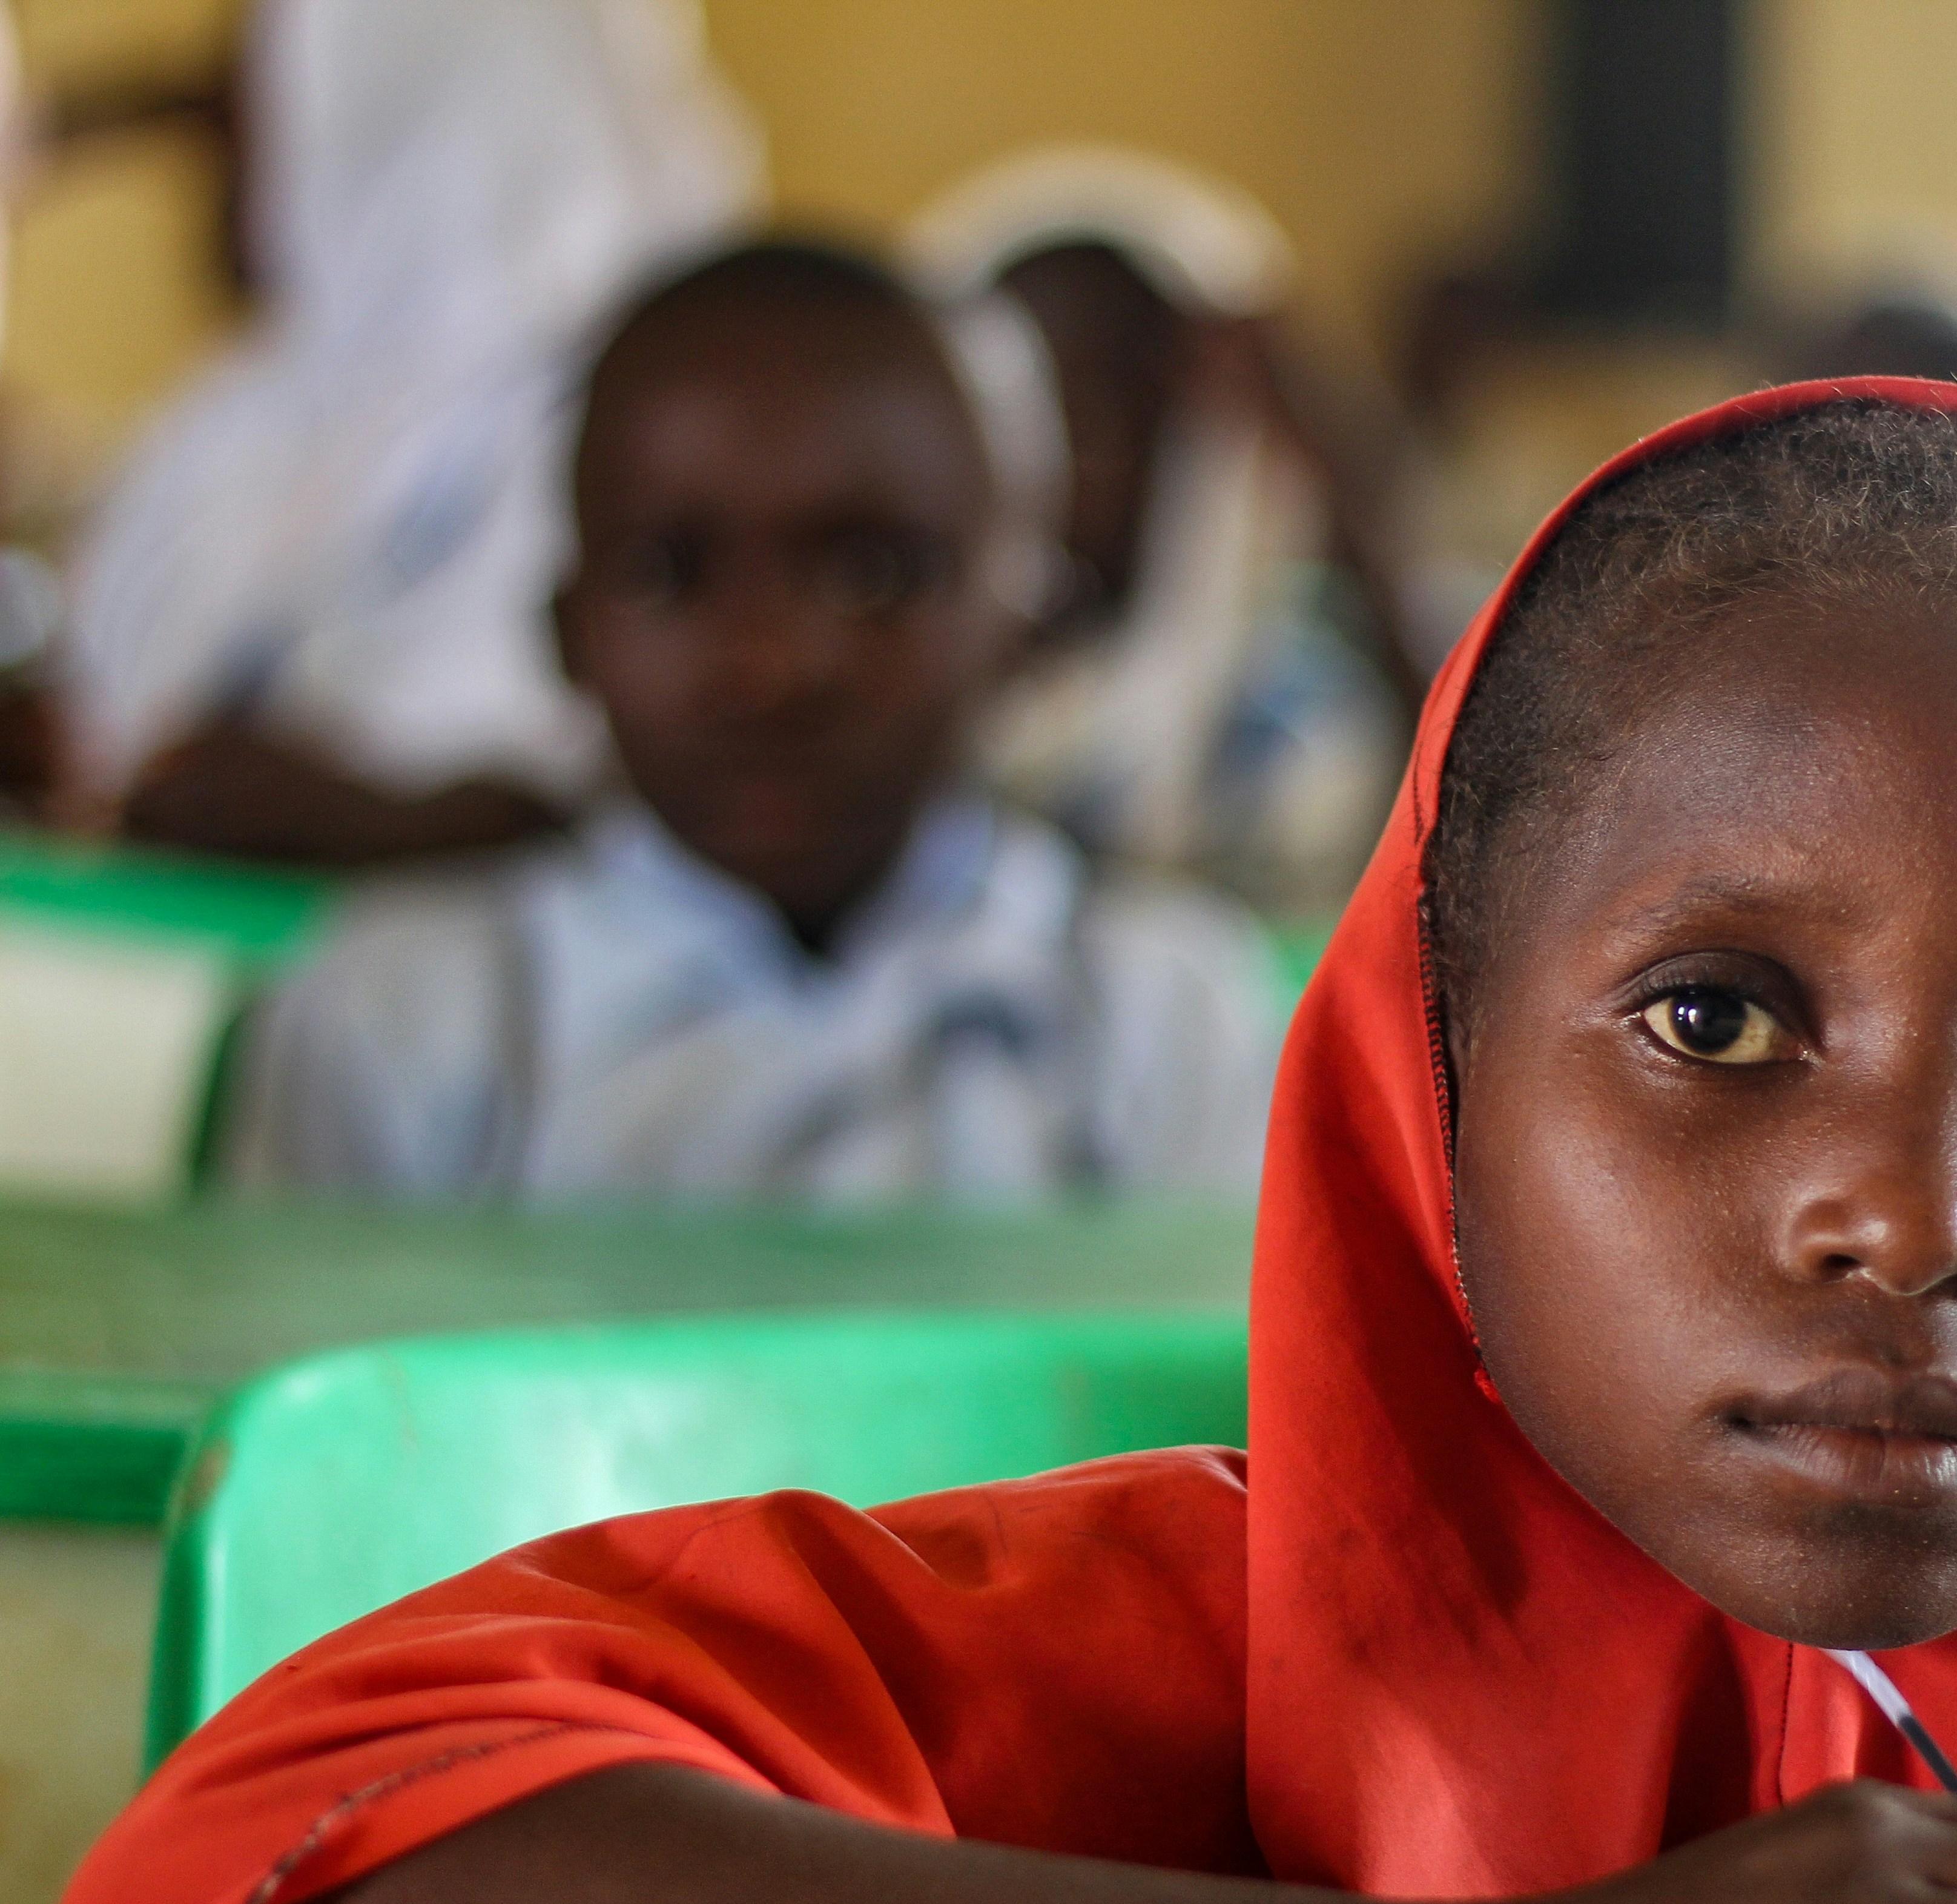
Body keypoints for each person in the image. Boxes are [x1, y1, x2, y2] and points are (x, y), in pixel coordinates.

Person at [58, 383, 1957, 1904]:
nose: (1910, 1211)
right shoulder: (1234, 1637)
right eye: (1717, 1018)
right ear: (1433, 1087)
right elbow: (312, 1827)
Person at [219, 239, 1282, 1203]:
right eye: (667, 574)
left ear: (1019, 625)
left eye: (873, 573)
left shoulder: (1164, 1019)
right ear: (564, 635)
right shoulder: (403, 1025)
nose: (769, 668)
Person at [56, 0, 759, 867]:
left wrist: (390, 823)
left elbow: (719, 782)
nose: (240, 160)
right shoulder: (254, 413)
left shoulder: (671, 420)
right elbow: (102, 714)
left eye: (262, 104)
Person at [908, 146, 1424, 911]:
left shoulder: (1289, 709)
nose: (1044, 477)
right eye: (1010, 424)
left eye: (1090, 426)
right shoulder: (899, 687)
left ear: (1188, 446)